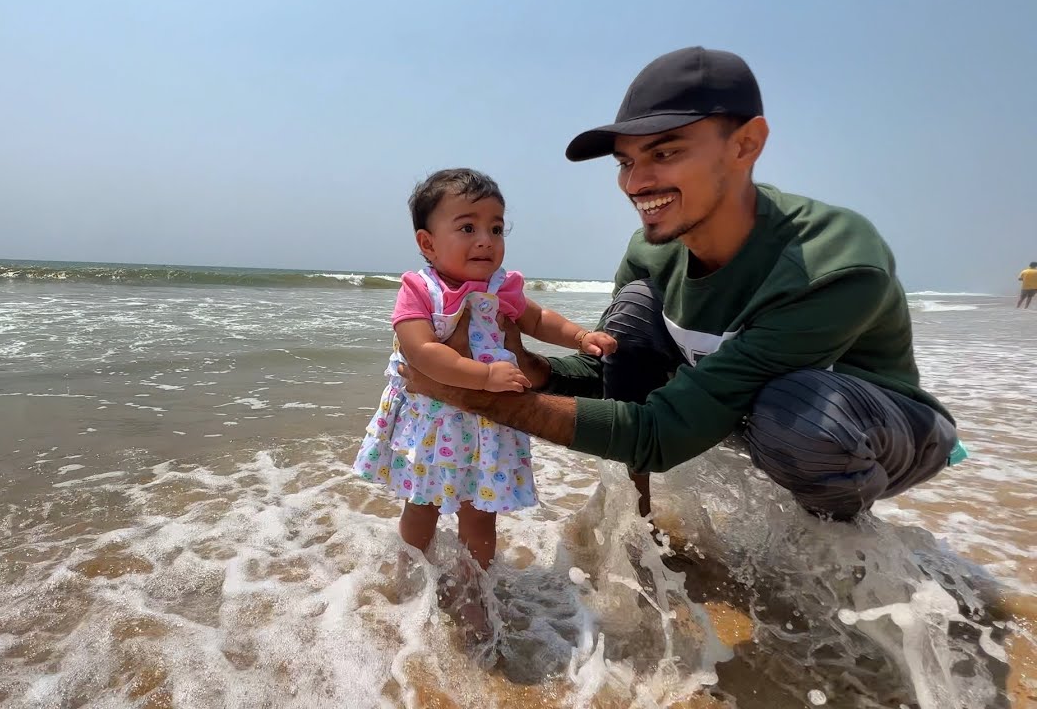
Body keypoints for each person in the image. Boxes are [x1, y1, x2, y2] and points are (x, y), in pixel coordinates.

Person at [398, 47, 964, 522]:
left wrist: (466, 394)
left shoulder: (831, 263)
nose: (636, 183)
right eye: (625, 162)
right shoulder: (652, 250)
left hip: (879, 429)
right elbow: (620, 377)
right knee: (635, 315)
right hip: (740, 404)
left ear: (745, 144)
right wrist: (531, 368)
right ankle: (639, 527)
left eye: (665, 152)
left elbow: (662, 432)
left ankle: (838, 560)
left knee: (798, 416)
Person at [353, 168, 615, 572]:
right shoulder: (421, 290)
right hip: (433, 425)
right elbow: (420, 351)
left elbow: (538, 318)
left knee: (480, 513)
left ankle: (476, 585)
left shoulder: (501, 287)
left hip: (488, 424)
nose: (486, 240)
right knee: (422, 505)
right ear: (427, 243)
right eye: (467, 228)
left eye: (496, 229)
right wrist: (485, 376)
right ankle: (410, 573)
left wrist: (580, 337)